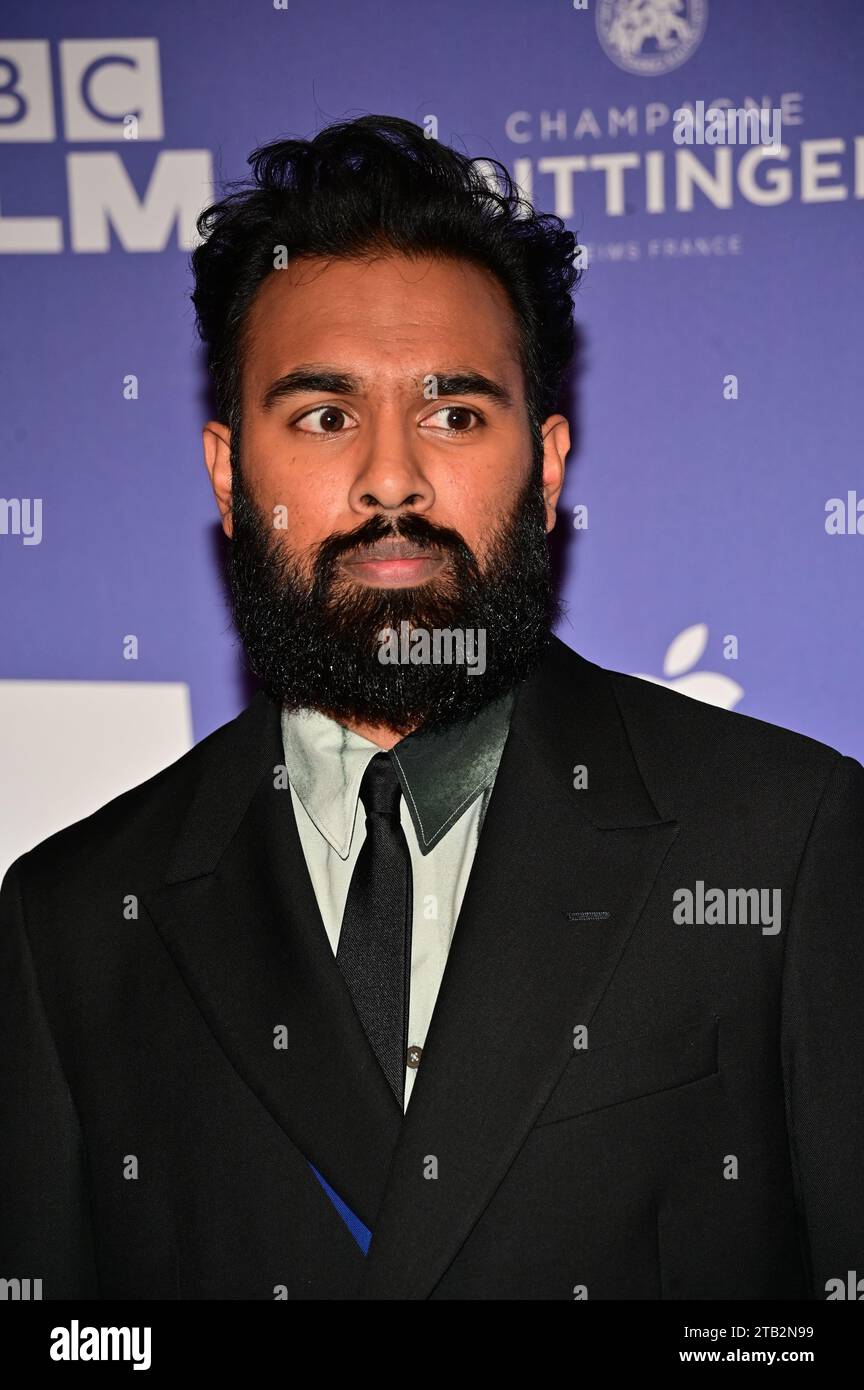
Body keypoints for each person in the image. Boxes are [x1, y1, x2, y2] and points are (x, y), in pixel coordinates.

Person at [1, 115, 861, 1301]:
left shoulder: (786, 840)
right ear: (227, 474)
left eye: (455, 412)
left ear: (546, 468)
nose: (392, 476)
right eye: (323, 415)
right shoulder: (77, 923)